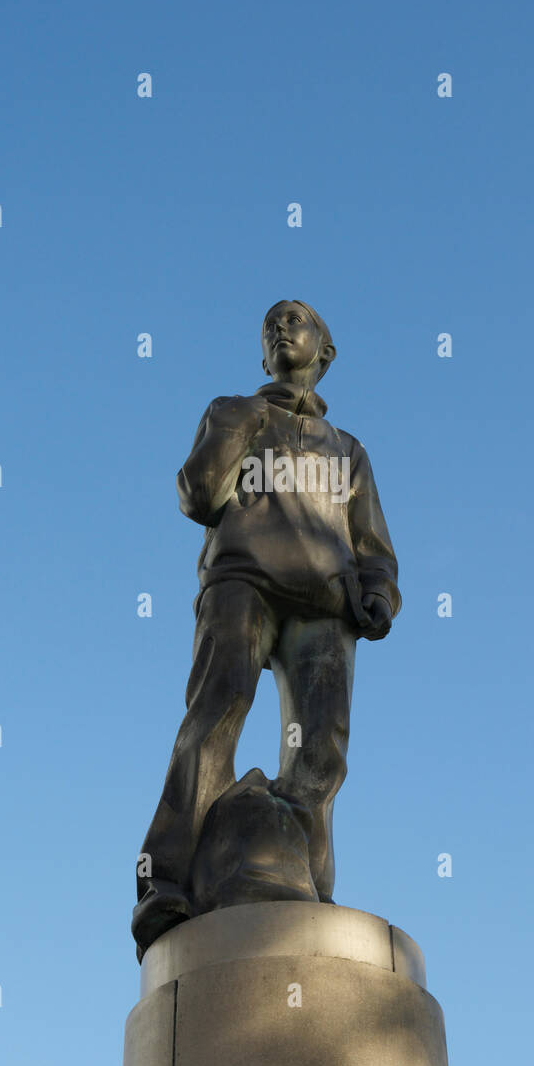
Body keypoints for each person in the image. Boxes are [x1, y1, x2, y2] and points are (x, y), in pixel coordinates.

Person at [132, 300, 401, 955]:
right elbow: (199, 496)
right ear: (261, 355)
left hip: (324, 606)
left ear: (325, 351)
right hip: (242, 581)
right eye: (270, 325)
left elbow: (372, 542)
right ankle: (164, 883)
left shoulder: (348, 450)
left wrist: (378, 593)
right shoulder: (236, 411)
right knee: (215, 713)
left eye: (296, 320)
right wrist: (233, 425)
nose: (282, 328)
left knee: (321, 751)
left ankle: (304, 887)